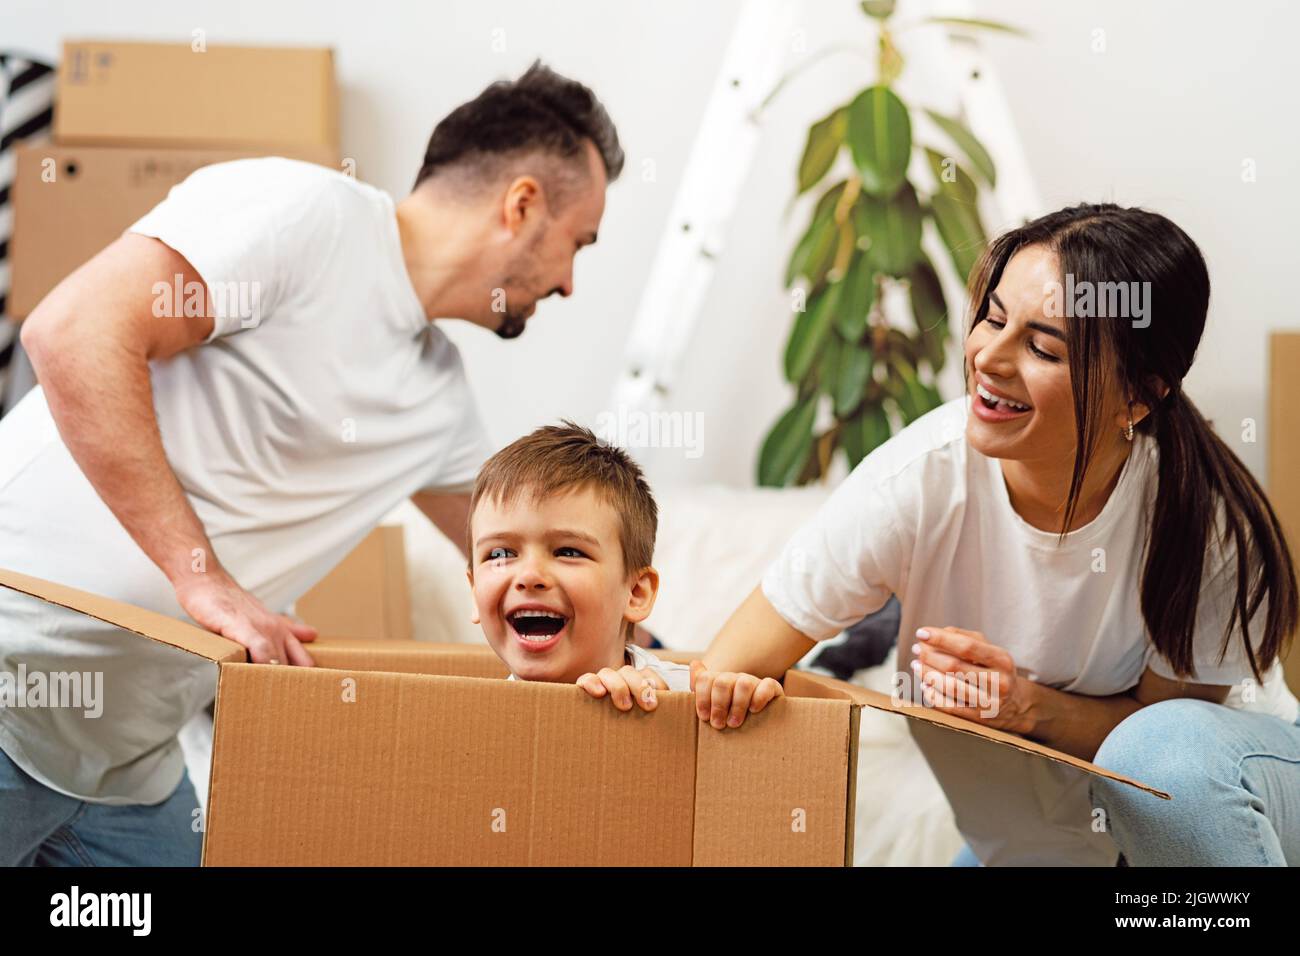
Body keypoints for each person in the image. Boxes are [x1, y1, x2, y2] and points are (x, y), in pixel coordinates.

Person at [0, 61, 621, 866]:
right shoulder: (308, 213)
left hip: (126, 763)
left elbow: (540, 558)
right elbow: (74, 330)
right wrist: (204, 578)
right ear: (524, 203)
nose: (570, 283)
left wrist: (666, 665)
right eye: (578, 244)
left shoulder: (437, 400)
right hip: (16, 676)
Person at [688, 203, 1300, 866]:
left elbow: (1153, 777)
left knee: (1155, 752)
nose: (990, 359)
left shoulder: (1203, 522)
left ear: (1137, 398)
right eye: (993, 318)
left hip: (1230, 803)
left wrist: (1027, 708)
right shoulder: (916, 481)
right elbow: (733, 663)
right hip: (1038, 851)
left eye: (1043, 348)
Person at [465, 421, 783, 714]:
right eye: (501, 553)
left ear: (635, 593)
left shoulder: (685, 694)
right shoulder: (475, 718)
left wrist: (738, 703)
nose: (529, 576)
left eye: (568, 551)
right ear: (474, 589)